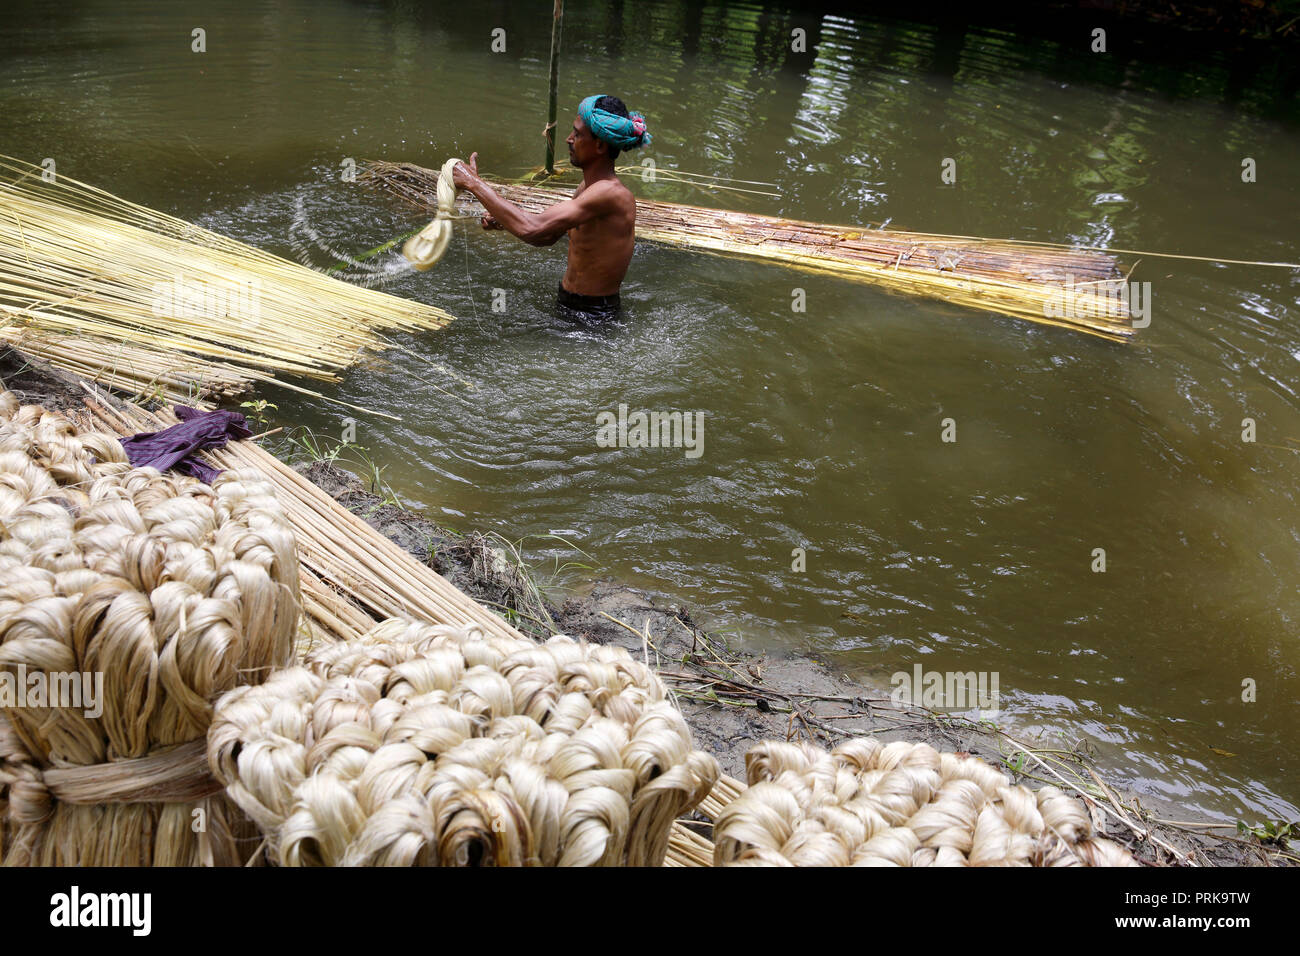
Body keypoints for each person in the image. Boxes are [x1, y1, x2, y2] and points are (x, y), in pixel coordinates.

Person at [452, 94, 650, 321]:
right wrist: (505, 221)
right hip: (568, 303)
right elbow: (544, 236)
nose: (568, 139)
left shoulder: (611, 194)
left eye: (577, 134)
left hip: (594, 317)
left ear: (600, 145)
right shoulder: (587, 187)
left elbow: (532, 228)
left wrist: (473, 183)